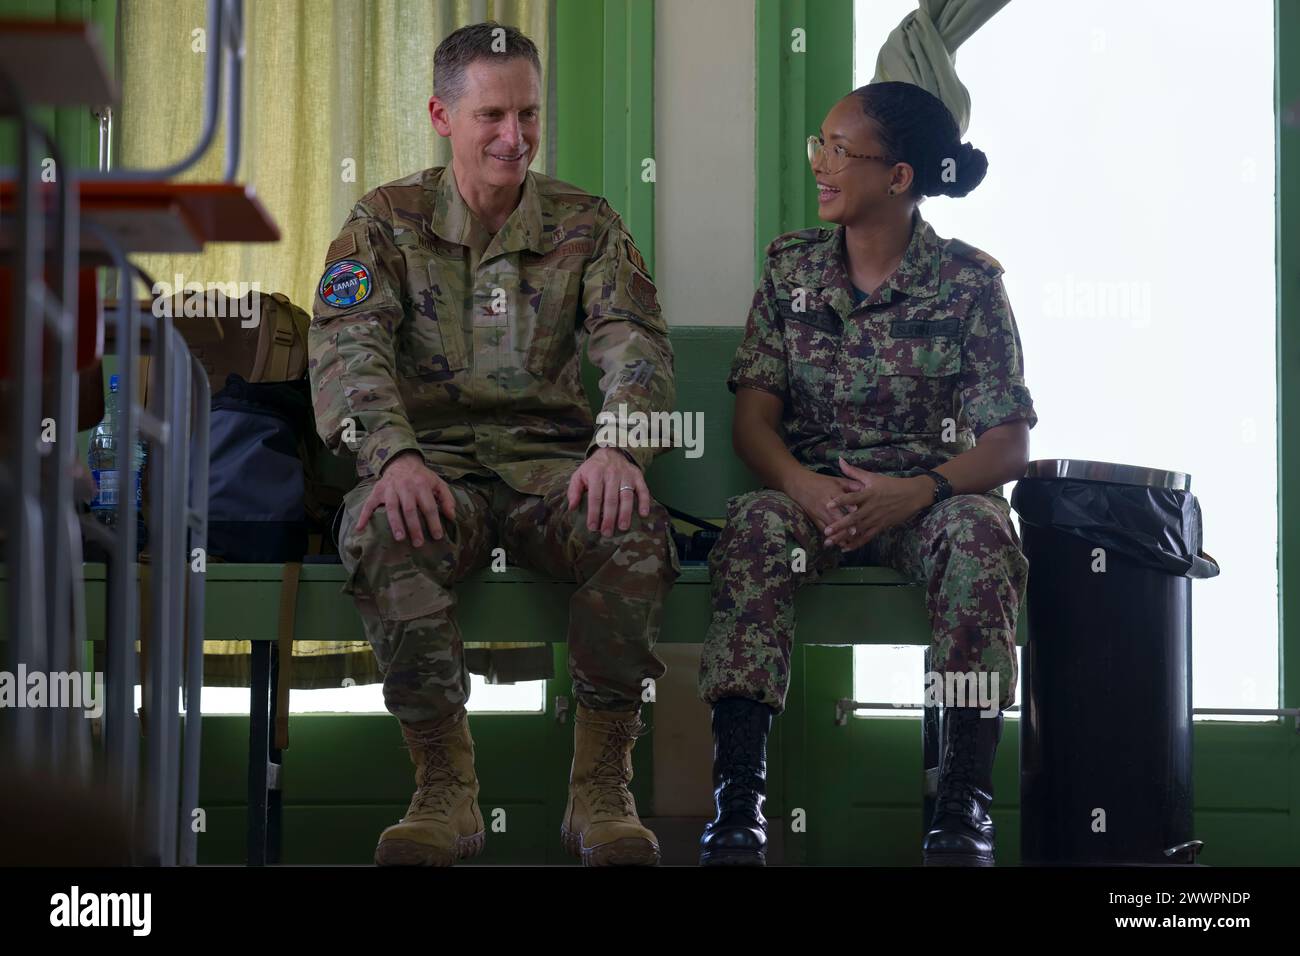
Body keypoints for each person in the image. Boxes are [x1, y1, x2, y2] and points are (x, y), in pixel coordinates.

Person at [308, 21, 678, 868]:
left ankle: (602, 787)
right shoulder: (384, 222)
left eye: (529, 115)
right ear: (443, 115)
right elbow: (346, 349)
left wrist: (620, 446)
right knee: (379, 527)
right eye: (493, 117)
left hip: (554, 468)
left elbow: (636, 345)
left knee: (631, 527)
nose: (516, 137)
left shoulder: (586, 223)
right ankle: (444, 787)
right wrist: (390, 455)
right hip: (431, 468)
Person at [699, 81, 1037, 867]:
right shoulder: (792, 269)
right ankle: (738, 807)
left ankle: (962, 809)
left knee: (983, 533)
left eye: (840, 151)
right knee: (754, 530)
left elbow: (1008, 446)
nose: (820, 163)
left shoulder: (969, 285)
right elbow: (754, 420)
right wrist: (803, 487)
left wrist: (918, 492)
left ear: (899, 177)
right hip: (812, 502)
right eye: (819, 142)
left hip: (924, 506)